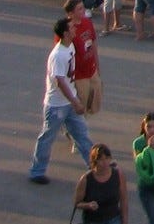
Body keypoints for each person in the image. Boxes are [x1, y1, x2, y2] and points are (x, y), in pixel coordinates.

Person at [30, 15, 94, 184]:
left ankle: (95, 167)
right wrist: (75, 101)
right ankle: (37, 171)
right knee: (47, 137)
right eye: (72, 27)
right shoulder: (58, 55)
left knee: (82, 134)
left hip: (69, 102)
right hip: (57, 106)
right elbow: (60, 81)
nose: (75, 29)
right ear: (65, 33)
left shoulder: (69, 46)